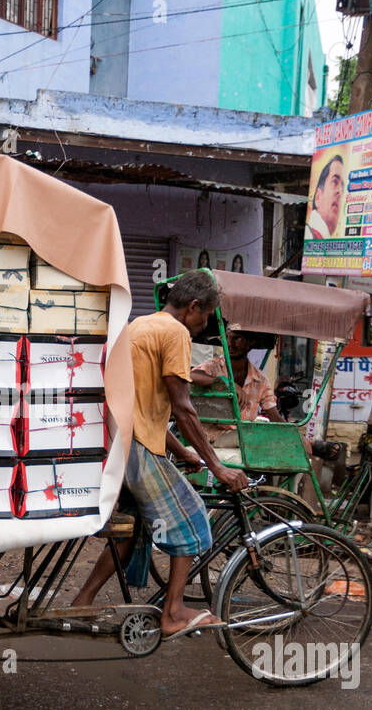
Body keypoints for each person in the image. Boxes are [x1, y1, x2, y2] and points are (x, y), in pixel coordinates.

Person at [71, 270, 249, 638]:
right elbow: (183, 407)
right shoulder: (175, 333)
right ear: (194, 307)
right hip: (136, 449)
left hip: (120, 441)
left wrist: (183, 450)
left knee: (131, 531)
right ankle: (173, 612)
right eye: (205, 318)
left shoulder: (140, 326)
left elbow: (144, 405)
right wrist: (217, 467)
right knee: (192, 519)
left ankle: (83, 600)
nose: (203, 327)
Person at [307, 154, 345, 240]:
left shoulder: (322, 239)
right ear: (318, 197)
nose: (340, 191)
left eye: (343, 187)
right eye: (335, 182)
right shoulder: (309, 235)